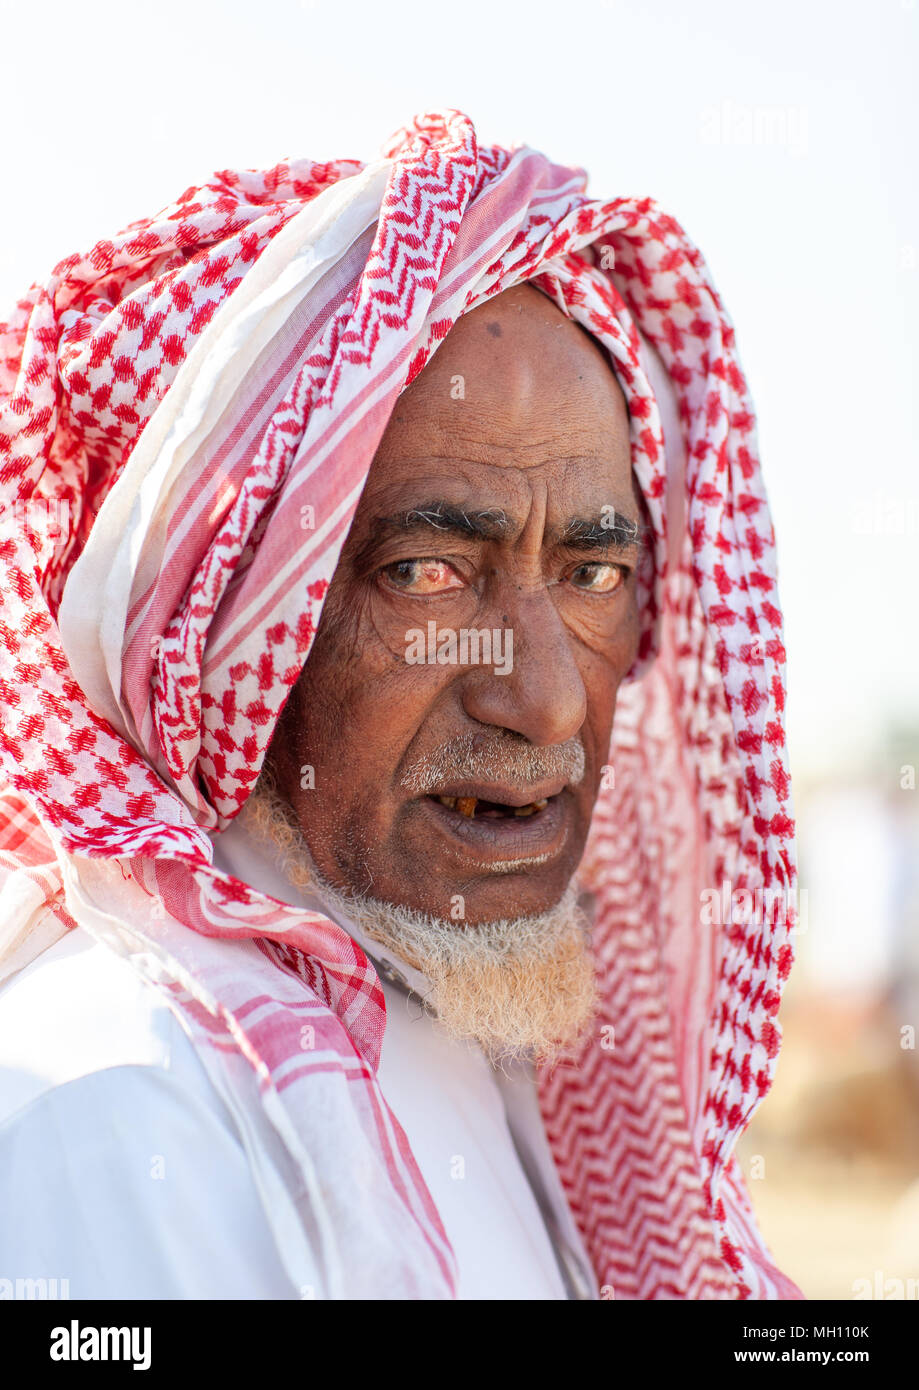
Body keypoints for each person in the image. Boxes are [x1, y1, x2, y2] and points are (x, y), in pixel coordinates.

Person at [0, 109, 801, 1300]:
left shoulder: (489, 1058)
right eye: (428, 572)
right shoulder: (123, 1112)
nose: (542, 701)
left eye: (592, 575)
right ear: (228, 633)